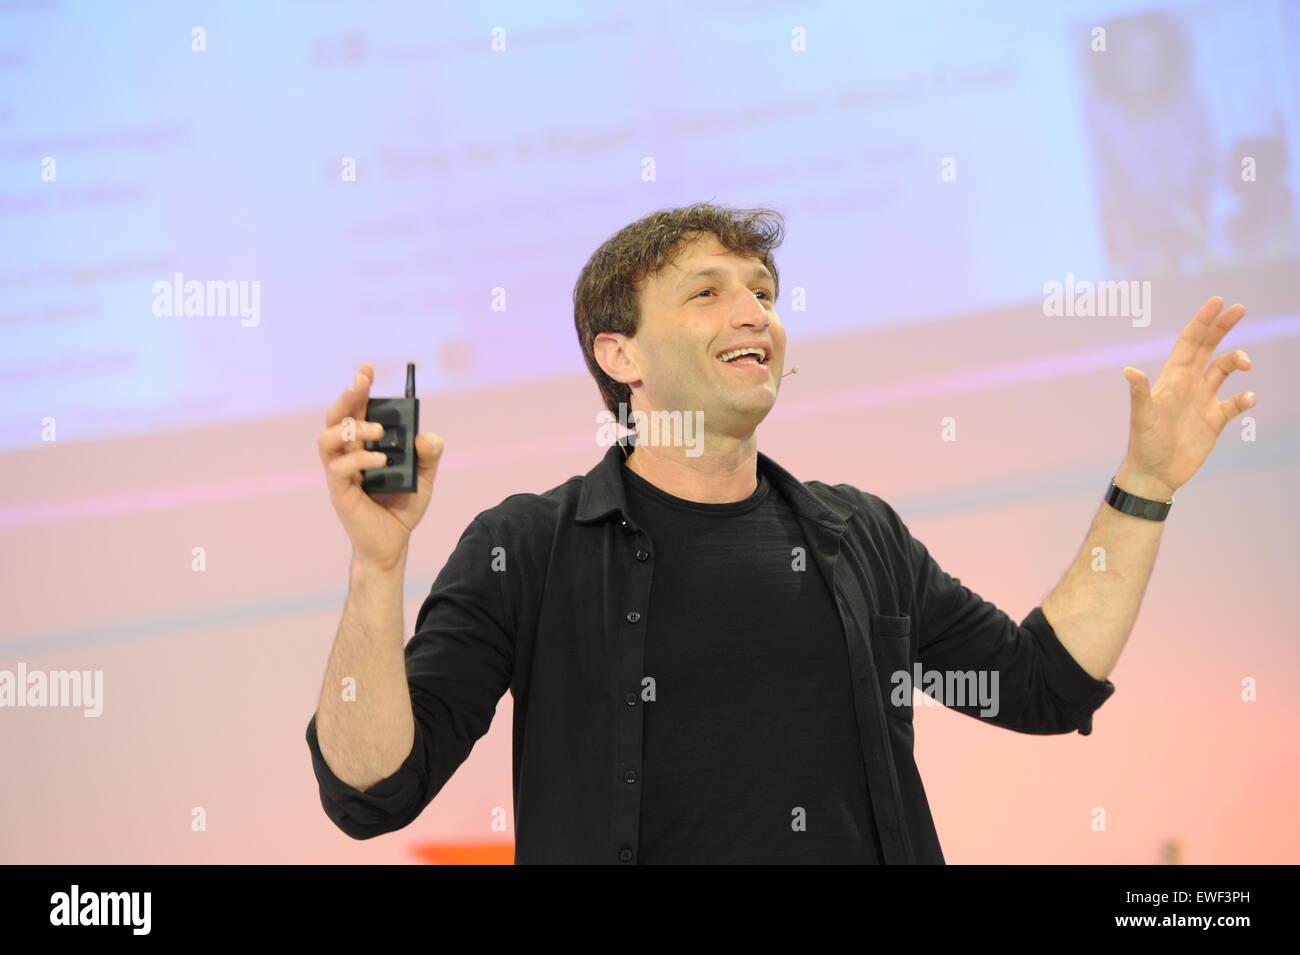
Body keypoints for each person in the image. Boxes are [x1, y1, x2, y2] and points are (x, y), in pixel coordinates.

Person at [306, 202, 1257, 864]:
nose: (755, 310)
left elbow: (1042, 685)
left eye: (762, 289)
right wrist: (375, 564)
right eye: (708, 292)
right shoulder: (531, 547)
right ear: (620, 354)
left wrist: (1143, 486)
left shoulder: (860, 535)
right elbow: (372, 788)